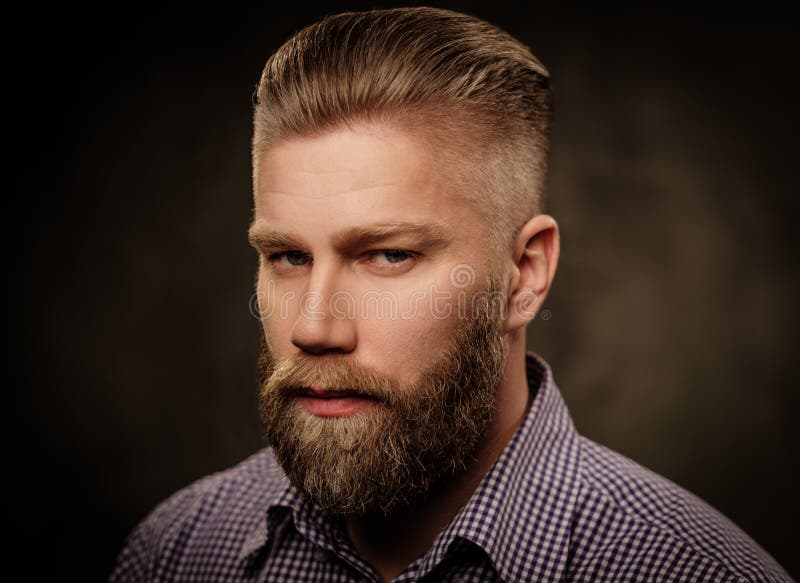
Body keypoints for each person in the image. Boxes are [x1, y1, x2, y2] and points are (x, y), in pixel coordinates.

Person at [110, 6, 792, 582]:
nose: (313, 327)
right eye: (287, 255)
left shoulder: (692, 569)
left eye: (388, 255)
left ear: (523, 275)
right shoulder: (176, 550)